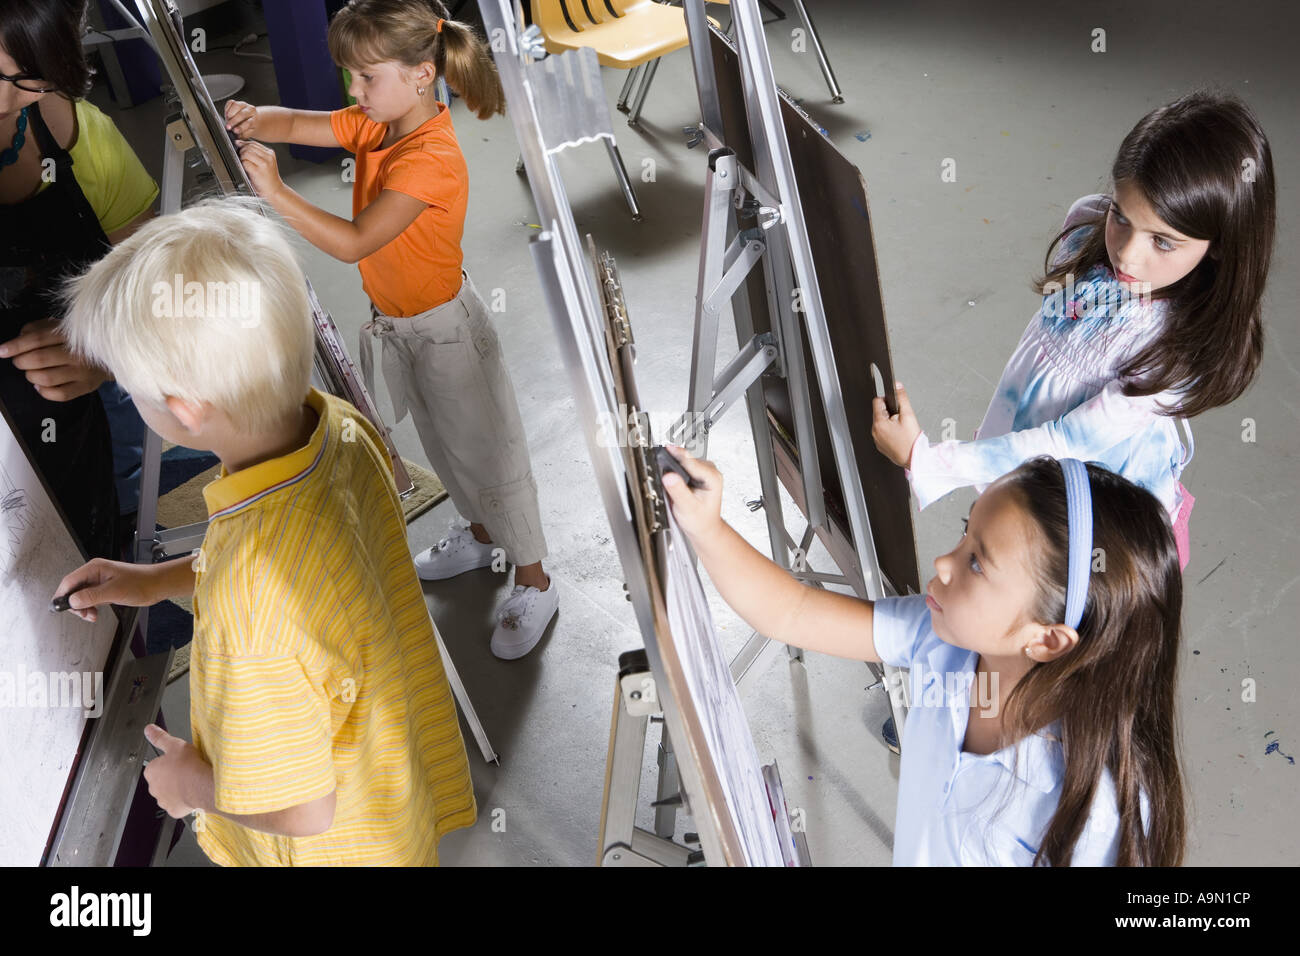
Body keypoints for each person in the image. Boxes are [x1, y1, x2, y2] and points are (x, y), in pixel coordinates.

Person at [53, 199, 477, 865]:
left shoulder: (257, 587)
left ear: (185, 411)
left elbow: (306, 807)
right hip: (389, 786)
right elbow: (299, 577)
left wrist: (193, 783)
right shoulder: (333, 426)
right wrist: (154, 582)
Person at [222, 0, 559, 660]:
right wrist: (255, 117)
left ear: (422, 74)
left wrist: (279, 195)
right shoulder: (377, 124)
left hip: (450, 332)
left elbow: (354, 243)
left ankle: (535, 579)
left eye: (367, 78)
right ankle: (482, 533)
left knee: (491, 454)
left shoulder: (429, 158)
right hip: (402, 329)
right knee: (444, 443)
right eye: (350, 76)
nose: (355, 91)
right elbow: (302, 122)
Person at [663, 445, 1186, 865]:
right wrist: (708, 527)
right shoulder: (944, 639)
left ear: (1046, 640)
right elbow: (793, 611)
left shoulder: (1097, 810)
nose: (943, 560)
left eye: (978, 563)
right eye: (966, 532)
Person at [872, 90, 1275, 573]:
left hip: (1094, 532)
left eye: (1163, 241)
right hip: (1026, 471)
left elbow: (1065, 442)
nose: (1126, 253)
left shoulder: (1170, 354)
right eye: (1122, 215)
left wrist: (931, 462)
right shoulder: (1087, 227)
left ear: (1219, 247)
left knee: (1064, 628)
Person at [0, 0, 157, 559]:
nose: (8, 101)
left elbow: (150, 290)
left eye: (32, 79)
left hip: (77, 446)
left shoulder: (84, 140)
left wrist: (102, 348)